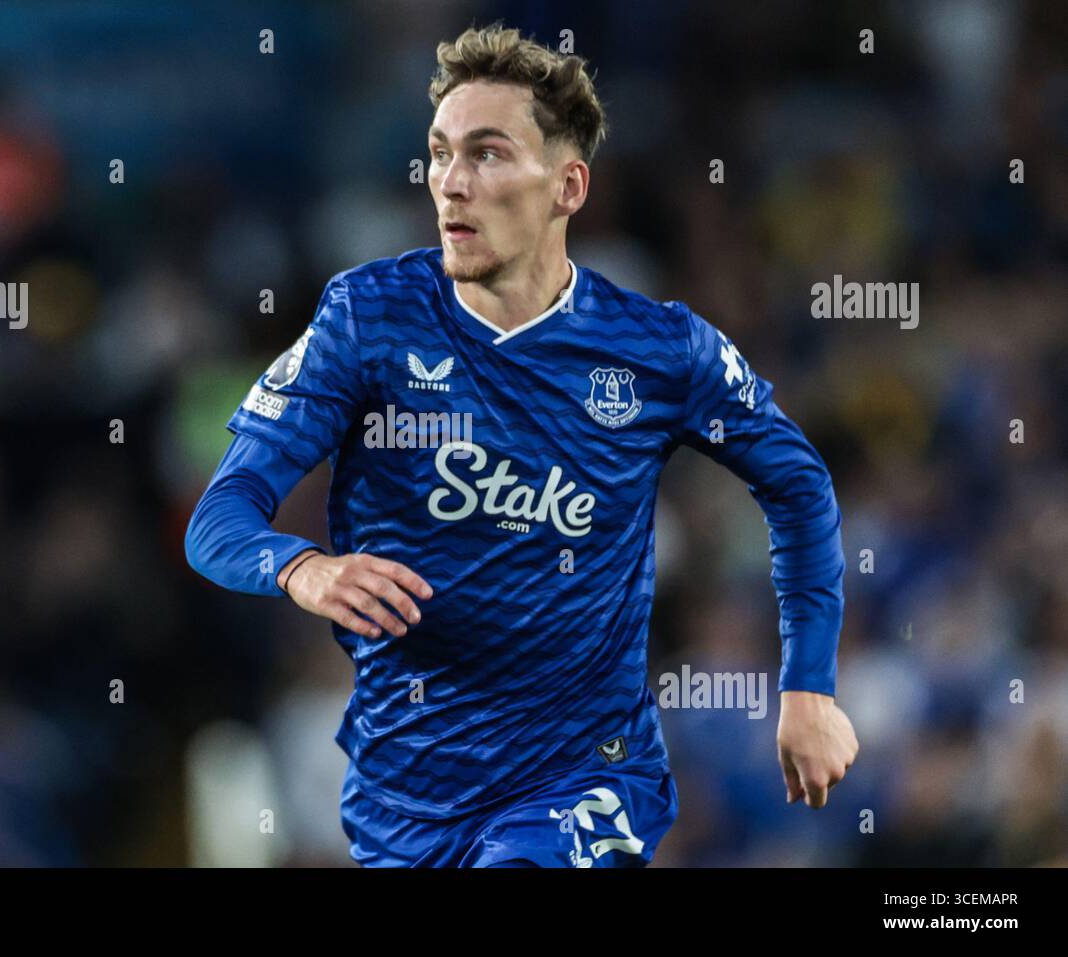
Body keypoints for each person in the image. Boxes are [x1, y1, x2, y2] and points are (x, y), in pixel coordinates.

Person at [185, 23, 858, 867]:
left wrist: (809, 686)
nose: (451, 183)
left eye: (488, 154)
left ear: (568, 186)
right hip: (405, 791)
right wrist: (302, 567)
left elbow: (798, 486)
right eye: (438, 153)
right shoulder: (367, 319)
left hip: (584, 779)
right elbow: (217, 520)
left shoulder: (658, 350)